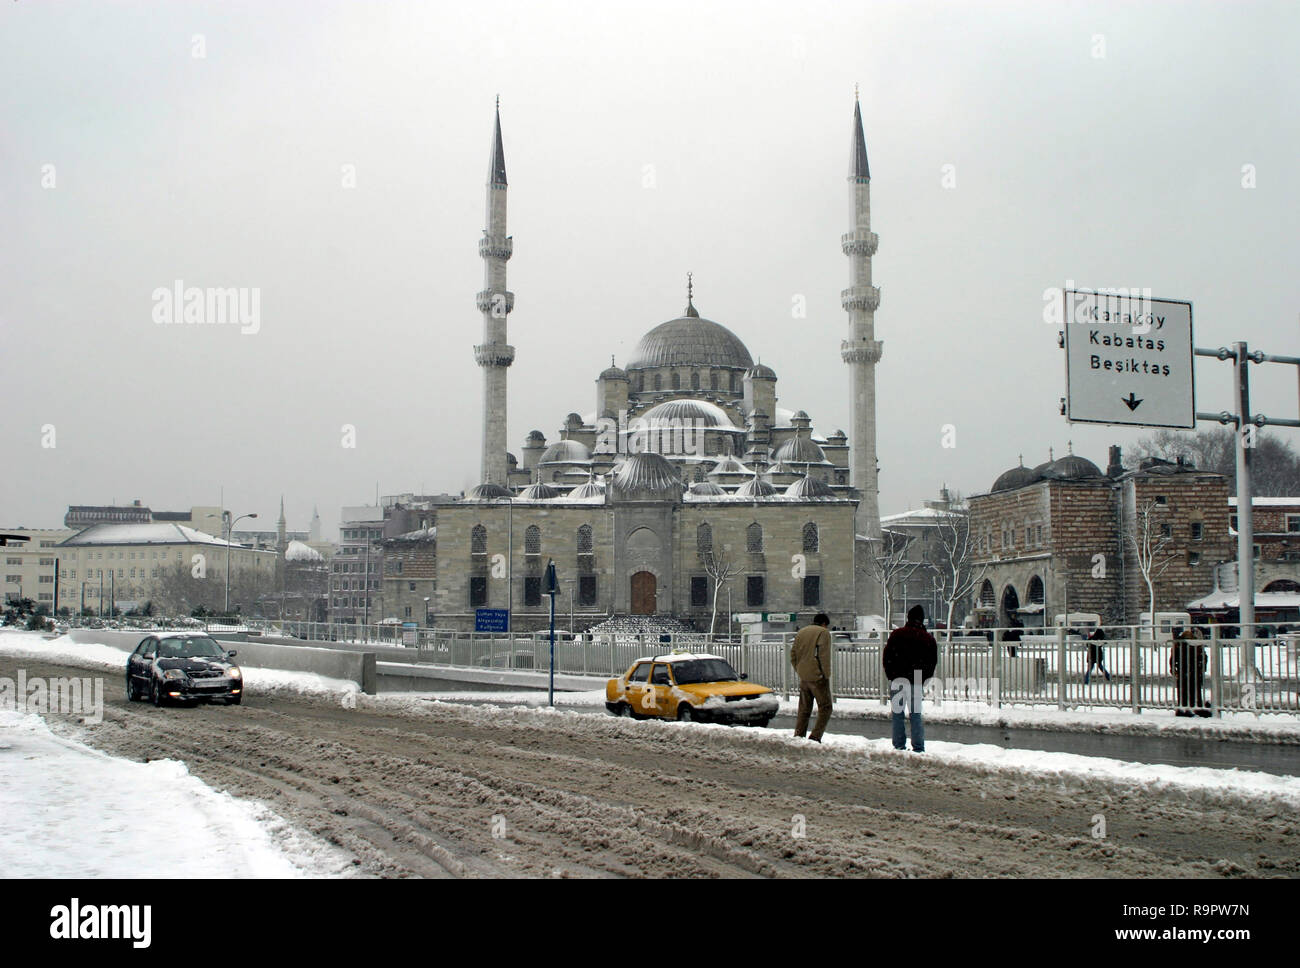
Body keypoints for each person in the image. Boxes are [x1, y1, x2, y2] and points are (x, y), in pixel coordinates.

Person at [883, 604, 938, 752]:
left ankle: (899, 745)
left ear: (908, 617)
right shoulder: (928, 638)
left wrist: (891, 674)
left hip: (897, 679)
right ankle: (918, 747)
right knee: (915, 715)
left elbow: (887, 656)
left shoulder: (897, 635)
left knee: (897, 714)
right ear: (922, 619)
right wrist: (924, 678)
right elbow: (932, 662)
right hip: (917, 680)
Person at [790, 612, 833, 742]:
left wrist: (799, 669)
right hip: (817, 676)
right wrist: (825, 674)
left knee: (804, 708)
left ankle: (799, 735)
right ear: (824, 624)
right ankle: (815, 737)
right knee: (826, 707)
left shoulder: (801, 632)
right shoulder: (823, 633)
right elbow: (824, 656)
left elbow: (793, 654)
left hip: (804, 676)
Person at [1171, 626, 1210, 717]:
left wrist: (1173, 669)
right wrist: (1202, 668)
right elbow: (1203, 656)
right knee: (1194, 690)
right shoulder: (1196, 645)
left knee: (1184, 690)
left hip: (1184, 670)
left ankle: (1184, 708)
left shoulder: (1178, 645)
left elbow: (1173, 659)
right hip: (1193, 670)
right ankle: (1195, 707)